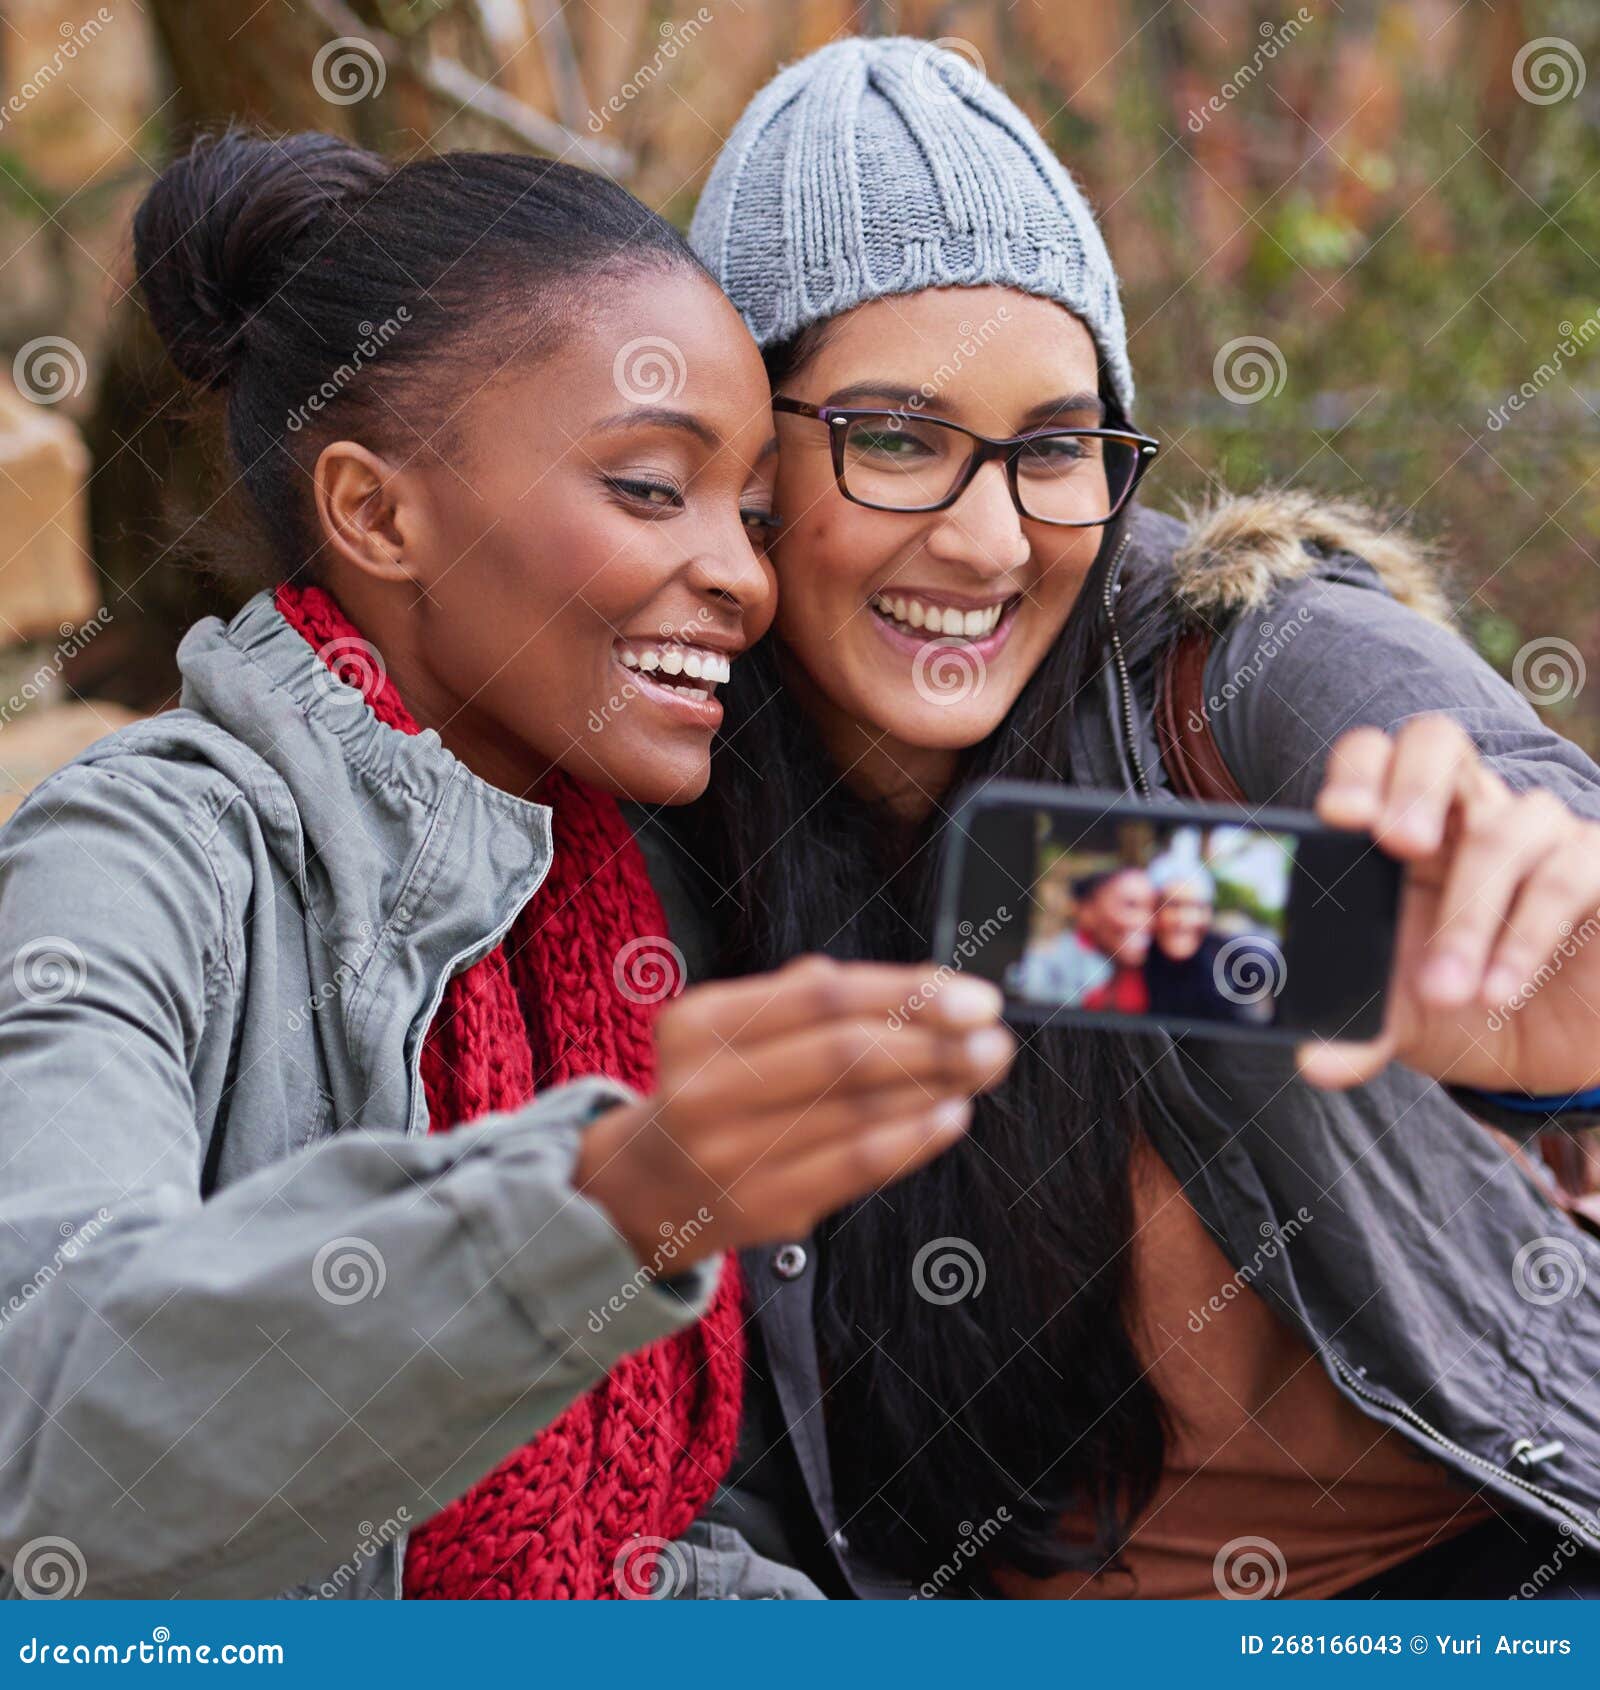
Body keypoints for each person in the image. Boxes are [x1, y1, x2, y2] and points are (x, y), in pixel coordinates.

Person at [0, 131, 1015, 1600]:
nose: (742, 574)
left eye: (748, 512)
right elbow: (49, 1457)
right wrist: (595, 1206)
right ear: (375, 512)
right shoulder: (134, 856)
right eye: (651, 487)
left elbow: (636, 1558)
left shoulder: (605, 889)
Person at [648, 35, 1600, 1600]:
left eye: (1055, 445)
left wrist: (1553, 944)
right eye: (895, 436)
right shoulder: (662, 804)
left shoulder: (1217, 680)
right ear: (748, 458)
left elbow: (1510, 800)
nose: (987, 535)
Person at [1143, 857, 1274, 1025]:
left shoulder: (1232, 959)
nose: (1184, 919)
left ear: (1209, 913)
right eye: (1173, 905)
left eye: (1197, 907)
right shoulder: (1134, 961)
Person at [1013, 866, 1154, 1011]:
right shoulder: (1043, 966)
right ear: (1087, 910)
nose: (1146, 921)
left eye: (1154, 907)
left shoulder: (1154, 970)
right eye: (1130, 905)